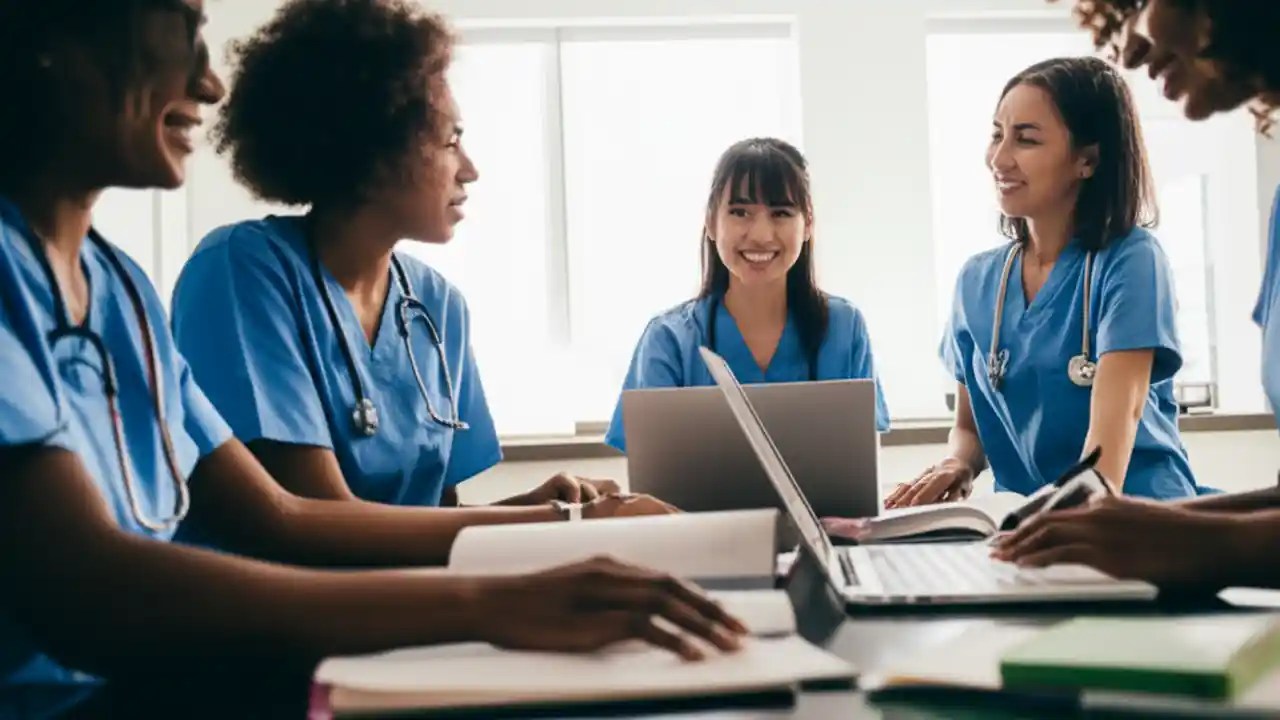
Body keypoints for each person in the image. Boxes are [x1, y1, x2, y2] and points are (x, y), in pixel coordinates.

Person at [0, 0, 745, 692]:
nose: (211, 81)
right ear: (51, 37)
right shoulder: (232, 268)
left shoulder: (122, 290)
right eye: (183, 27)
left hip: (194, 675)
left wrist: (553, 534)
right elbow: (238, 539)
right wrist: (529, 562)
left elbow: (327, 511)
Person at [169, 0, 649, 522]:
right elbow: (315, 520)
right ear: (371, 151)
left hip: (398, 597)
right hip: (275, 600)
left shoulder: (438, 305)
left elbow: (435, 518)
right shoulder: (243, 269)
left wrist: (542, 505)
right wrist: (553, 522)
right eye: (451, 142)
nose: (470, 170)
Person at [995, 0, 1280, 590]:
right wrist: (1143, 527)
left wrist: (1192, 538)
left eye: (1143, 5)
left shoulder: (1129, 259)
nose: (1127, 51)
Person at [887, 55, 1200, 508]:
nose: (999, 158)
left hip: (1137, 520)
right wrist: (957, 462)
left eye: (1026, 140)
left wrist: (1039, 532)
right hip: (1030, 522)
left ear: (1087, 160)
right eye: (997, 135)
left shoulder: (1131, 261)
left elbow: (1107, 457)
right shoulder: (977, 282)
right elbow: (970, 429)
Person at [604, 137, 890, 452]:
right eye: (740, 212)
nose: (761, 235)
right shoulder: (668, 340)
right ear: (712, 222)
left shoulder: (844, 329)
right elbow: (652, 486)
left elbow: (859, 467)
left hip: (828, 506)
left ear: (808, 224)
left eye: (781, 212)